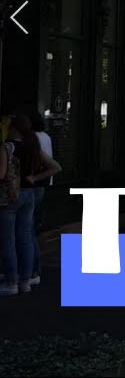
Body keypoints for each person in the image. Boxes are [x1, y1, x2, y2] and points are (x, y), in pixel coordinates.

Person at [0, 114, 61, 295]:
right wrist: (34, 178)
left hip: (10, 197)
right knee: (25, 237)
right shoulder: (32, 146)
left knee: (8, 239)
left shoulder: (7, 147)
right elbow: (56, 167)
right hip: (29, 194)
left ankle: (11, 281)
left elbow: (1, 174)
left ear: (13, 129)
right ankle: (25, 281)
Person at [27, 112, 52, 287]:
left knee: (26, 230)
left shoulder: (32, 139)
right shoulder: (46, 136)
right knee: (30, 229)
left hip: (33, 184)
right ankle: (34, 269)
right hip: (42, 184)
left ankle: (33, 269)